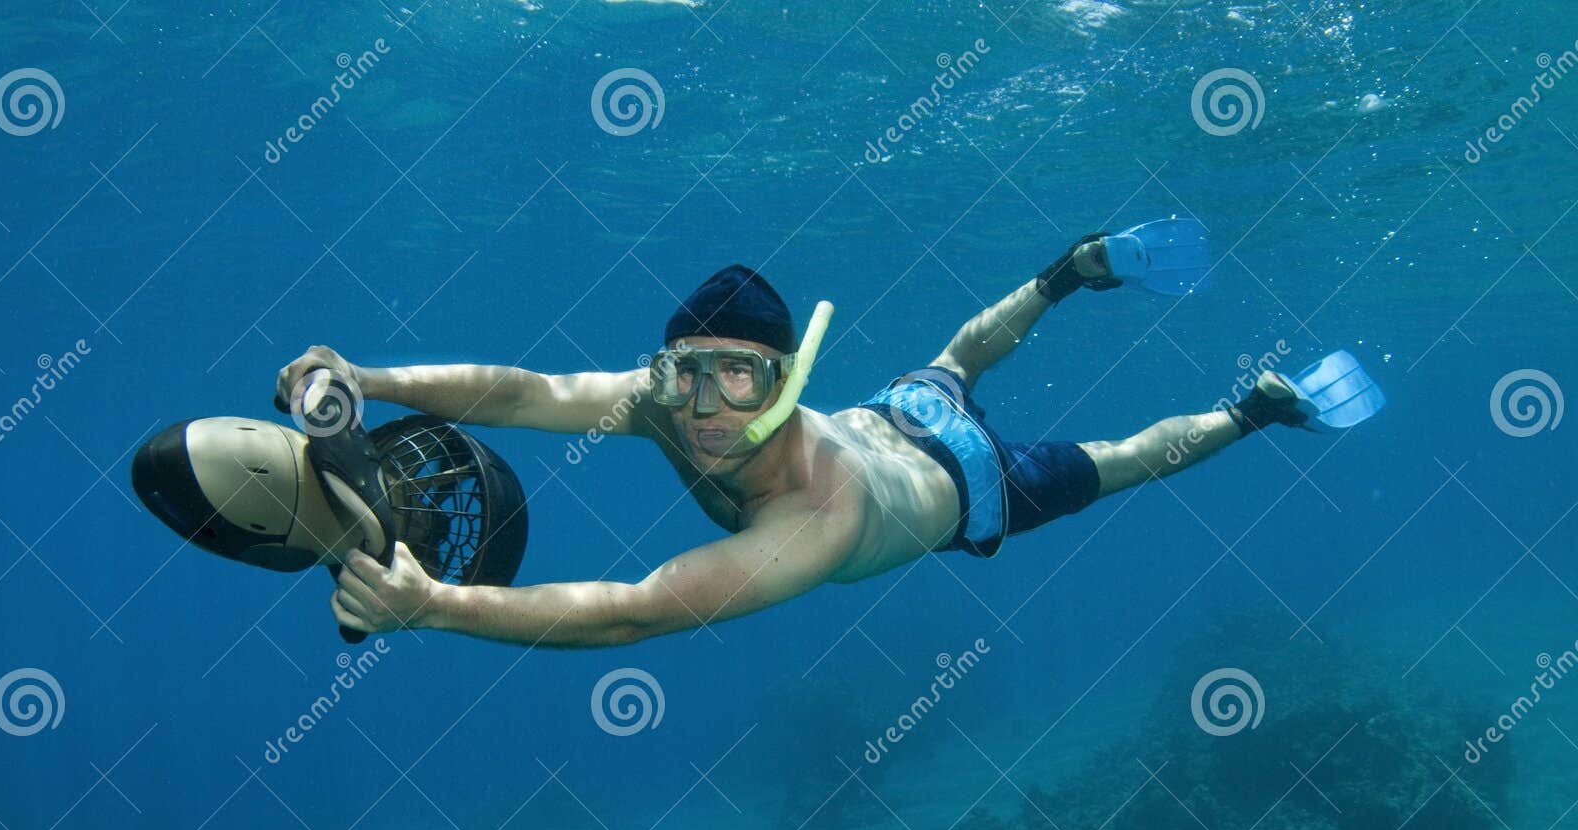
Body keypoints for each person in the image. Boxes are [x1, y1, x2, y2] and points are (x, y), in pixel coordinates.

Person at [278, 247, 1313, 647]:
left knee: (1123, 458)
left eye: (743, 377)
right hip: (890, 411)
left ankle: (1252, 410)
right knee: (956, 356)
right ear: (666, 367)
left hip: (965, 479)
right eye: (688, 372)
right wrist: (366, 377)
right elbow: (523, 389)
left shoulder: (815, 523)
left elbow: (632, 612)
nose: (707, 409)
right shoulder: (661, 398)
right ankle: (1068, 271)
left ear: (782, 382)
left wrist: (433, 604)